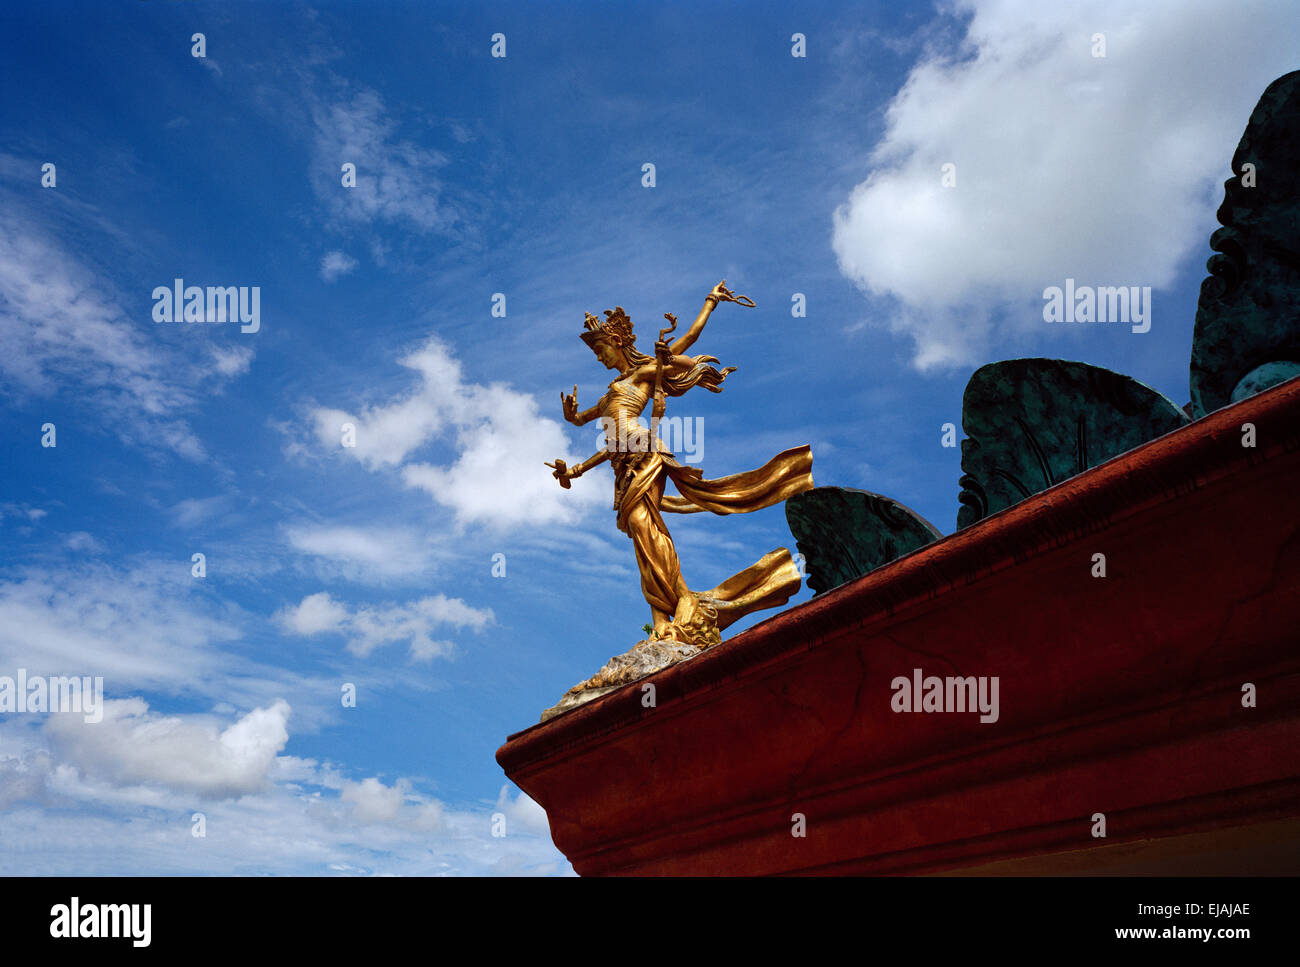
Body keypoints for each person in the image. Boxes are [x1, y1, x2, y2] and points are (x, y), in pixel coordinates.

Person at [547, 281, 814, 645]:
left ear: (618, 343)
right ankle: (661, 619)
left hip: (644, 454)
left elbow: (685, 345)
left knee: (646, 524)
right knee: (642, 539)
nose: (599, 358)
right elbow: (592, 425)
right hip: (620, 467)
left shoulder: (642, 374)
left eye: (601, 350)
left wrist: (709, 304)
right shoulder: (611, 391)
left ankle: (684, 600)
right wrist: (572, 426)